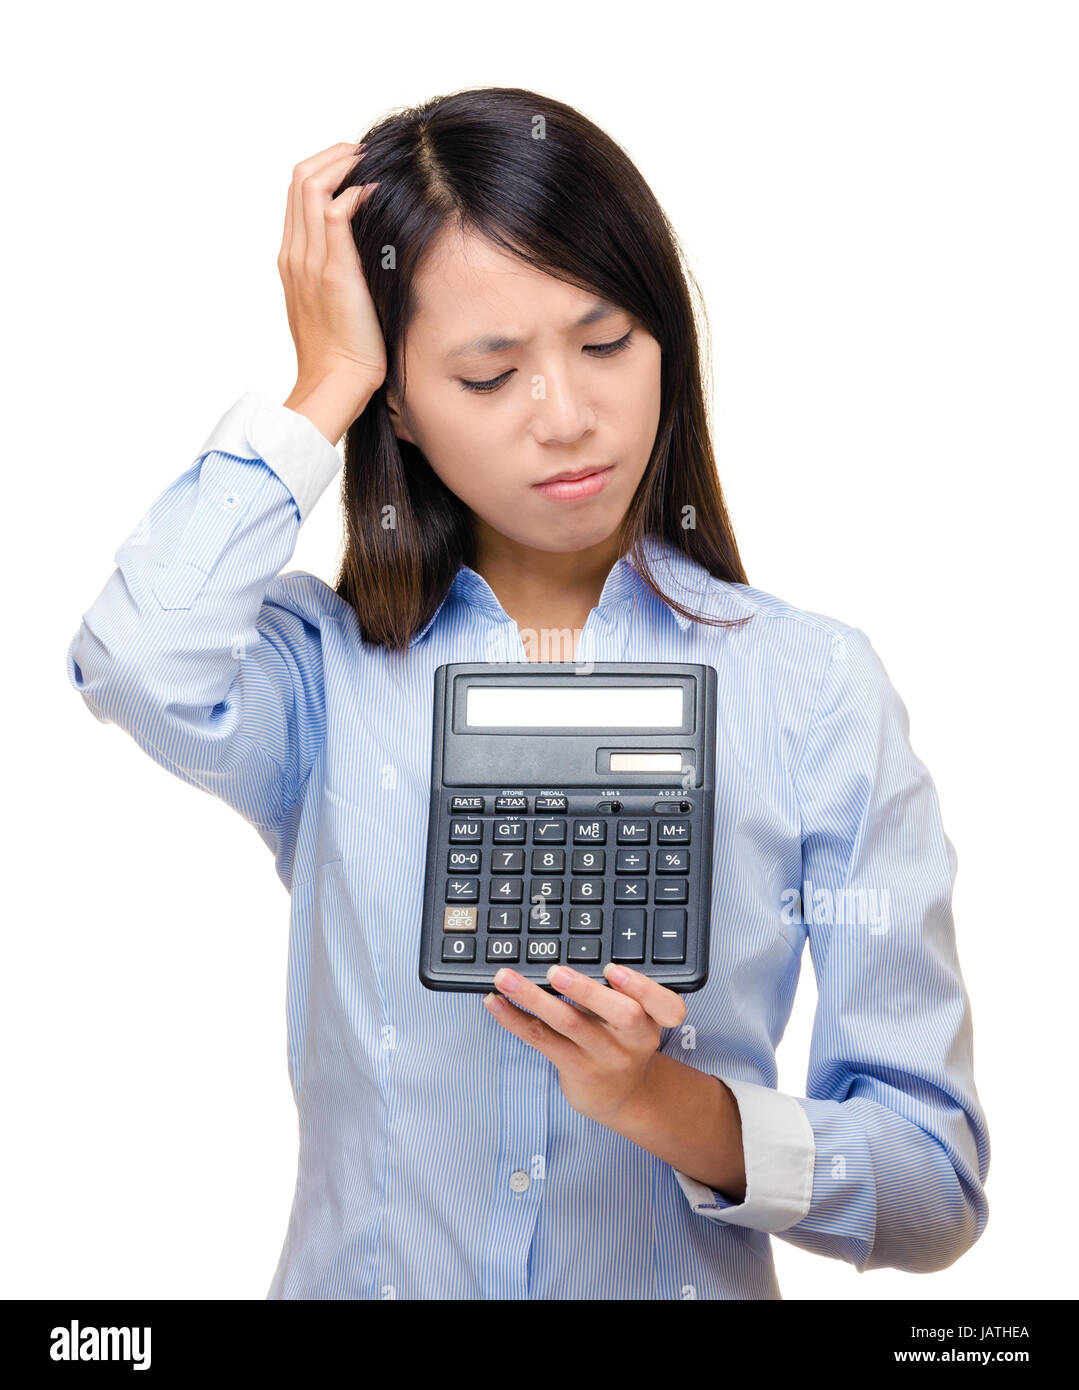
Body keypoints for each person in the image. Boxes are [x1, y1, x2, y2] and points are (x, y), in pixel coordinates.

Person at [65, 86, 989, 1300]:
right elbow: (136, 659)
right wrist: (321, 381)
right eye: (489, 375)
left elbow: (934, 1185)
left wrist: (671, 1107)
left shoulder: (807, 687)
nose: (569, 418)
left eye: (606, 343)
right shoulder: (324, 672)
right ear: (396, 397)